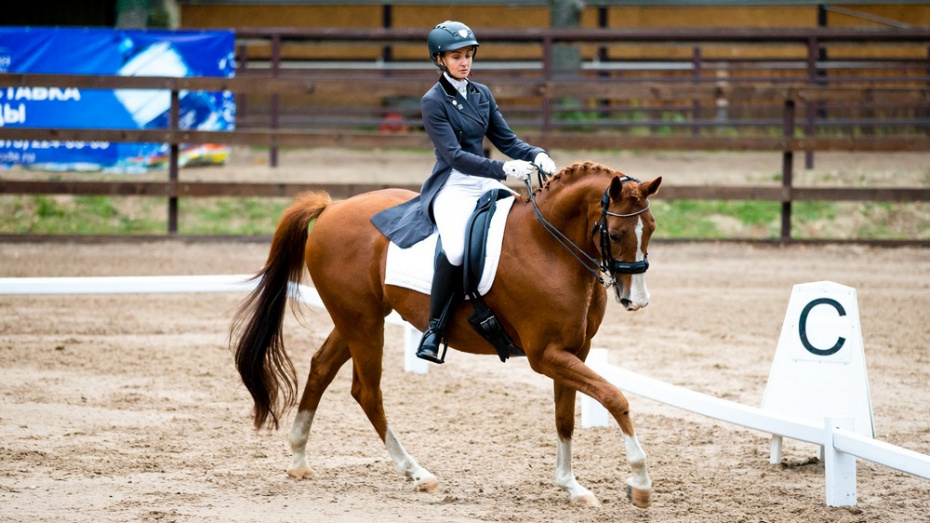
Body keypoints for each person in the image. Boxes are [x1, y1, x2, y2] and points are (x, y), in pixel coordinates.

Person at [370, 21, 556, 364]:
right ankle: (435, 329)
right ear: (440, 60)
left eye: (468, 55)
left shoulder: (482, 93)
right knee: (455, 250)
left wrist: (535, 154)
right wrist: (502, 169)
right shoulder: (432, 101)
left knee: (519, 230)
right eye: (456, 56)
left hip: (484, 180)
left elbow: (506, 140)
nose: (464, 62)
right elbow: (455, 156)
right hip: (452, 184)